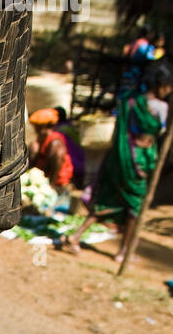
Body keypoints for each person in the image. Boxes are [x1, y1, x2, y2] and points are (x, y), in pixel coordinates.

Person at [62, 59, 173, 259]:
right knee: (134, 206)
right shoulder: (160, 108)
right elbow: (157, 133)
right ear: (161, 84)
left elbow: (121, 131)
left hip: (119, 159)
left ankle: (76, 236)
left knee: (108, 198)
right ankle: (123, 251)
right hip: (139, 162)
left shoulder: (131, 102)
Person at [27, 108, 74, 191]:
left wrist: (50, 186)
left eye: (36, 128)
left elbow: (57, 163)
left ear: (43, 127)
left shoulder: (55, 142)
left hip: (56, 184)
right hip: (42, 182)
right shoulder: (39, 142)